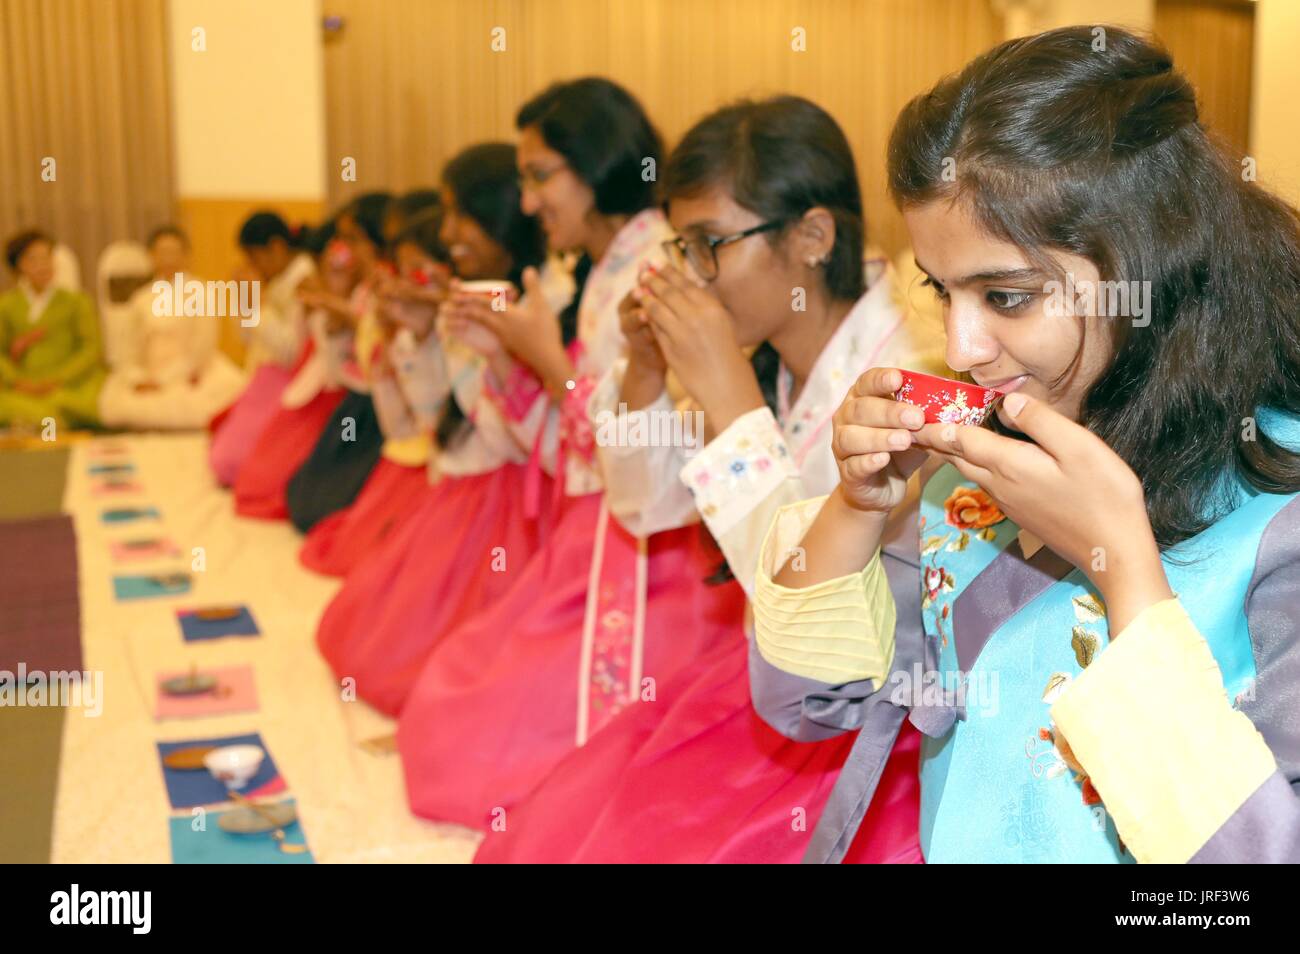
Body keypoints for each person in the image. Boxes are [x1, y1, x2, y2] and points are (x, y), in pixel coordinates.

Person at [751, 25, 1300, 863]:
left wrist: (1123, 566)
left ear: (1150, 267)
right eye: (941, 291)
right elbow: (808, 705)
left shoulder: (1276, 511)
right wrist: (859, 509)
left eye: (1006, 297)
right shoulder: (979, 466)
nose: (961, 347)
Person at [476, 96, 943, 864]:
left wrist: (729, 397)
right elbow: (646, 505)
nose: (690, 275)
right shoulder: (771, 350)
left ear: (813, 237)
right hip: (764, 684)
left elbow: (818, 626)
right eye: (681, 247)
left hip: (856, 723)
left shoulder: (907, 373)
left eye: (708, 244)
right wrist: (647, 371)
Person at [396, 78, 747, 829]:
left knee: (481, 752)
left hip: (657, 551)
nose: (527, 203)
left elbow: (660, 440)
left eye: (539, 176)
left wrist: (546, 362)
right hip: (590, 533)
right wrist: (505, 357)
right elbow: (565, 452)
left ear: (596, 164)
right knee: (448, 712)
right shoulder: (596, 270)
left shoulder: (654, 265)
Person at [314, 143, 568, 706]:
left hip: (513, 503)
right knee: (366, 641)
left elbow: (512, 441)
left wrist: (483, 351)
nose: (449, 232)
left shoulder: (548, 300)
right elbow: (433, 421)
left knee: (427, 670)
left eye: (461, 214)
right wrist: (422, 335)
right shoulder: (467, 300)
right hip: (465, 483)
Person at [98, 225, 245, 430]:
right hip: (149, 373)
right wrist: (138, 378)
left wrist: (165, 379)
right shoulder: (141, 298)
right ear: (151, 255)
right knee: (117, 404)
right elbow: (129, 348)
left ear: (186, 255)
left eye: (173, 252)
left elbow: (203, 348)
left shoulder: (201, 292)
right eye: (162, 252)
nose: (168, 259)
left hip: (191, 372)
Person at [209, 211, 316, 484]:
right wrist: (244, 299)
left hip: (291, 387)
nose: (252, 266)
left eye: (254, 258)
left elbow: (292, 353)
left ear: (277, 248)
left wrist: (258, 306)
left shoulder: (306, 278)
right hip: (264, 383)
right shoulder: (277, 280)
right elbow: (246, 340)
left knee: (233, 462)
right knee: (221, 451)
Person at [0, 230, 104, 429]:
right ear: (18, 265)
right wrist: (16, 381)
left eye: (46, 258)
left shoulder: (77, 301)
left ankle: (39, 423)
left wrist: (58, 379)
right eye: (33, 259)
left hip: (69, 385)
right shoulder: (6, 305)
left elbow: (91, 349)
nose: (43, 265)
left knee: (68, 405)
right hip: (22, 386)